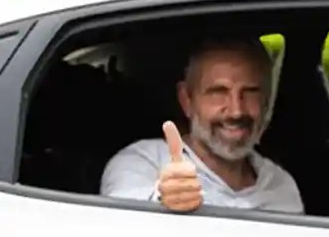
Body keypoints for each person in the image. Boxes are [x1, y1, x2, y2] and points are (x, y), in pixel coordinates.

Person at [100, 36, 304, 214]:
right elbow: (121, 234)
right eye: (218, 92)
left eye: (250, 91)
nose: (236, 111)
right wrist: (162, 202)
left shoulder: (281, 185)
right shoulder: (141, 165)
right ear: (186, 100)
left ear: (266, 101)